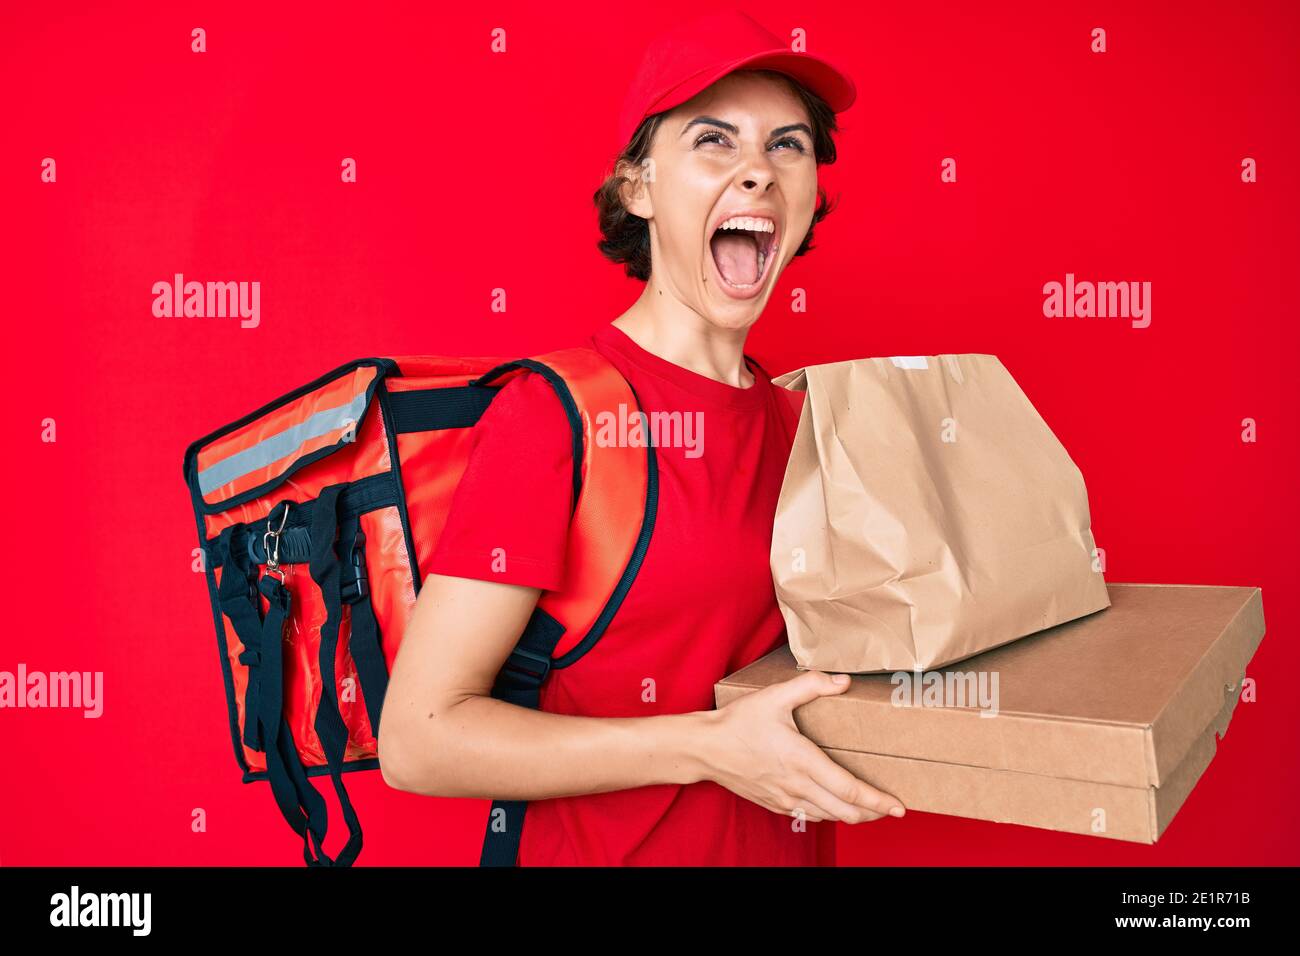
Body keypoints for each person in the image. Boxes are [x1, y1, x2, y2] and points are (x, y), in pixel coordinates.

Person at [378, 9, 905, 866]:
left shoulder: (811, 425)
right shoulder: (559, 414)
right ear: (638, 188)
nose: (757, 175)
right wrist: (706, 745)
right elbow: (420, 738)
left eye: (787, 146)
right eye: (712, 141)